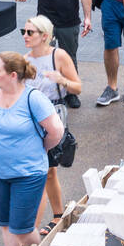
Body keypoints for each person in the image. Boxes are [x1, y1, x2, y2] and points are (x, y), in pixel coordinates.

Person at [0, 52, 63, 246]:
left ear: (13, 75)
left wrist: (39, 149)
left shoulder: (33, 99)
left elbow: (56, 131)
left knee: (23, 231)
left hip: (28, 173)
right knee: (6, 224)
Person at [22, 16, 82, 229]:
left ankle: (54, 216)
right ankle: (48, 218)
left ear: (45, 36)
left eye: (30, 32)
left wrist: (62, 80)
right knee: (40, 170)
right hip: (31, 119)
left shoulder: (59, 56)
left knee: (49, 169)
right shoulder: (24, 61)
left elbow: (77, 87)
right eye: (24, 31)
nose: (25, 36)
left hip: (53, 116)